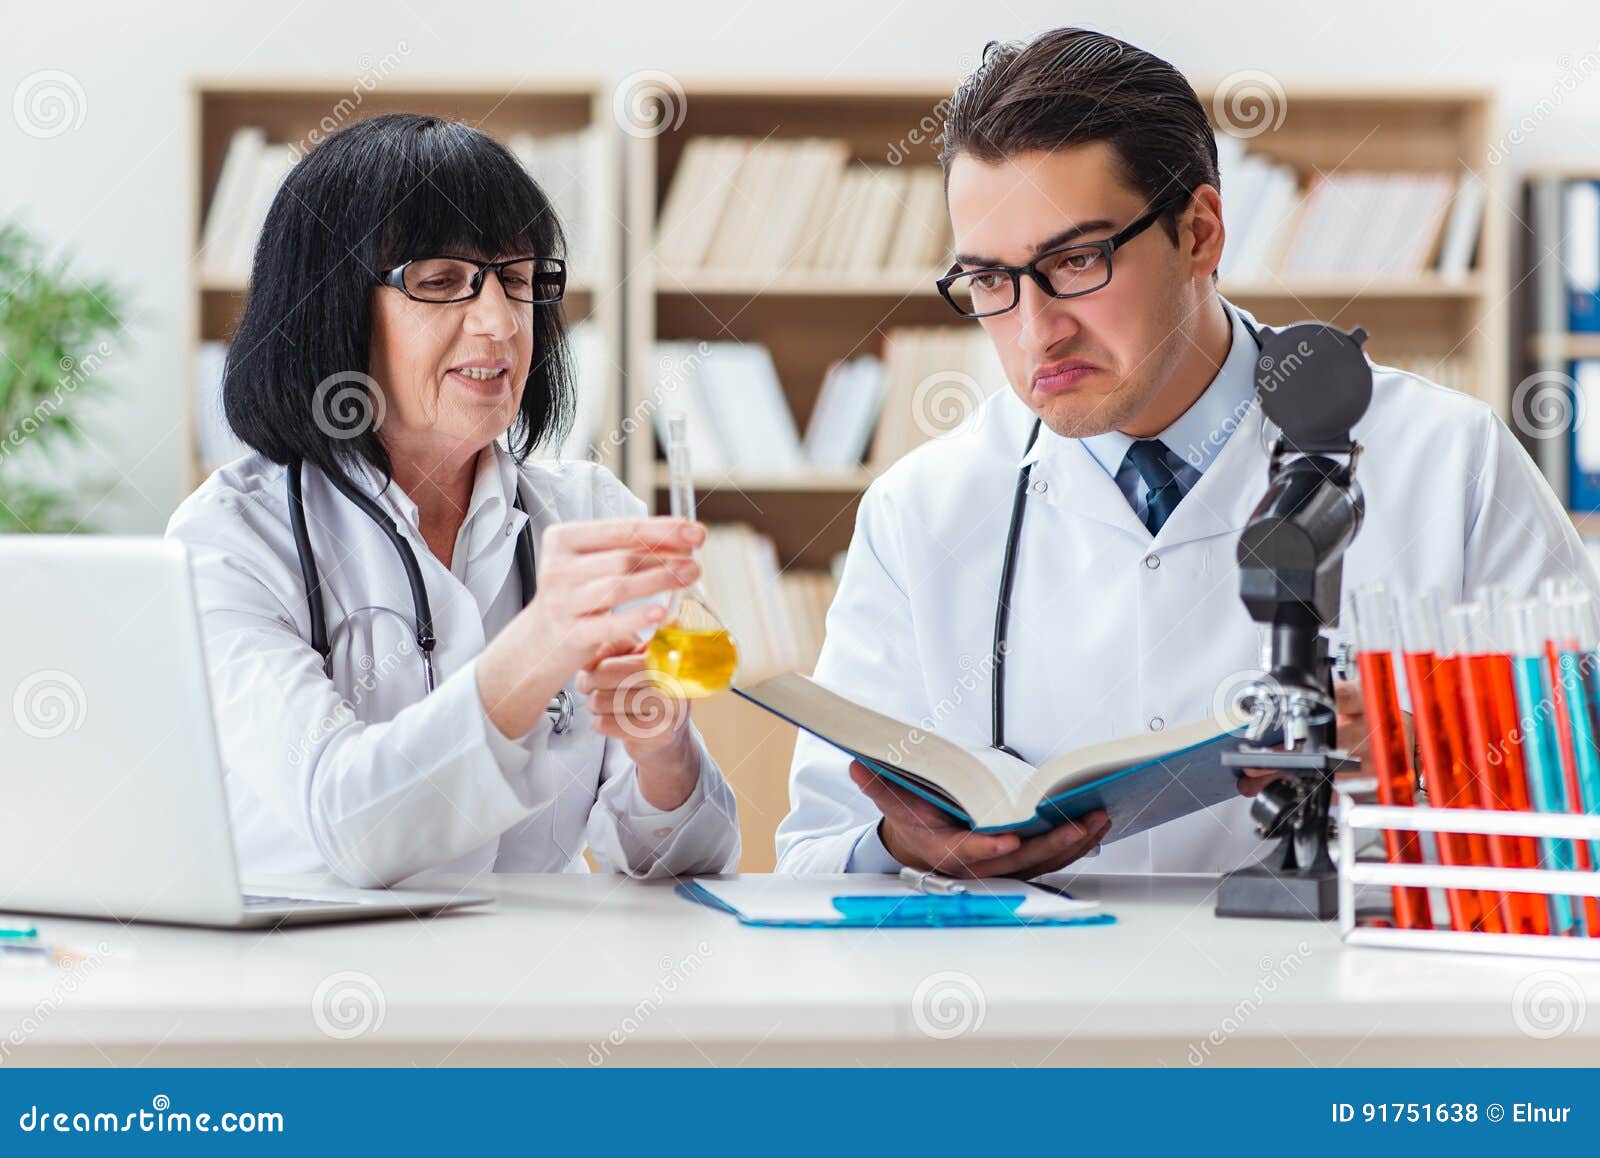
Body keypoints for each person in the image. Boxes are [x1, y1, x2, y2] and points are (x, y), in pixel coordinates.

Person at [775, 27, 1600, 878]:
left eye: (1076, 260)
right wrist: (902, 845)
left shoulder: (1445, 459)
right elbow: (812, 855)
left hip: (1357, 1002)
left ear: (1200, 233)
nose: (1035, 331)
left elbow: (1581, 796)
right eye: (989, 281)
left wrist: (1414, 763)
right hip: (1032, 1008)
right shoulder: (921, 511)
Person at [168, 113, 738, 888]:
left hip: (541, 992)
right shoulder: (229, 539)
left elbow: (693, 867)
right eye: (440, 282)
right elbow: (354, 828)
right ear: (329, 307)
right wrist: (540, 646)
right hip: (310, 990)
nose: (502, 322)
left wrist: (662, 748)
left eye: (518, 280)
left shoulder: (589, 511)